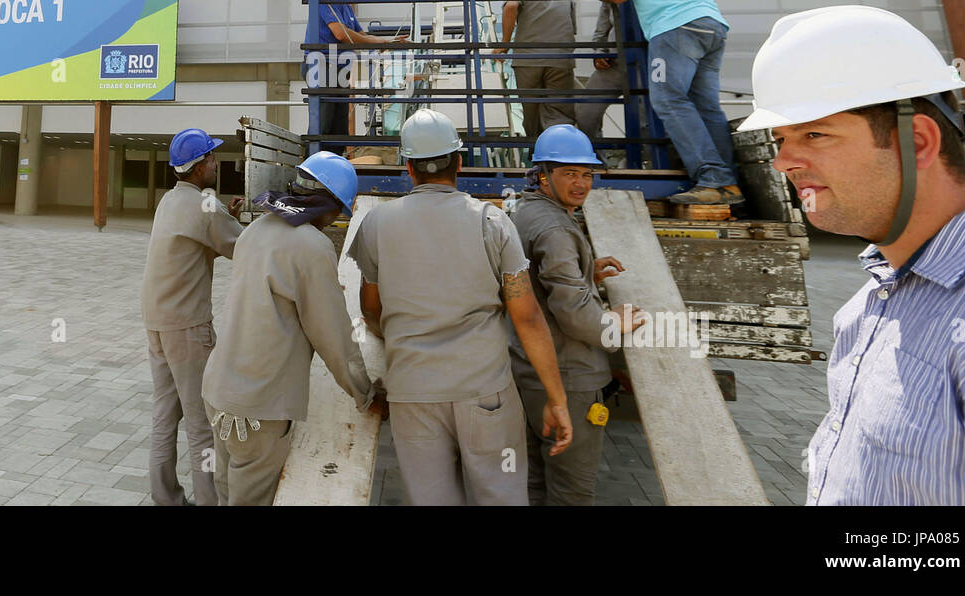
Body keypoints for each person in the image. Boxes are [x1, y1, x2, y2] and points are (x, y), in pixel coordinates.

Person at [738, 5, 965, 505]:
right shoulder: (869, 303)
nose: (782, 161)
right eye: (781, 139)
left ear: (917, 139)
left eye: (814, 133)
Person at [349, 108, 574, 506]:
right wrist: (557, 400)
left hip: (413, 395)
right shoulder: (491, 221)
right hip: (484, 394)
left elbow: (371, 311)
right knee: (502, 496)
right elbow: (528, 318)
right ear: (459, 161)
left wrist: (404, 334)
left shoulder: (377, 224)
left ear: (408, 168)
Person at [202, 151, 386, 505]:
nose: (335, 221)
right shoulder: (311, 245)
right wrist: (365, 394)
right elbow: (331, 334)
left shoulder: (255, 229)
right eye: (338, 213)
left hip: (218, 391)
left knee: (226, 492)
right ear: (329, 203)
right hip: (259, 407)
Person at [507, 124, 646, 505]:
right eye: (569, 173)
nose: (581, 183)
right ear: (541, 176)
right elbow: (573, 313)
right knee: (571, 492)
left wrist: (585, 271)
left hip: (526, 372)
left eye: (586, 174)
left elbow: (537, 282)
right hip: (568, 378)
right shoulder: (555, 227)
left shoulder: (525, 214)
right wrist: (613, 323)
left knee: (533, 485)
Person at [577, 0, 742, 205]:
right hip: (712, 27)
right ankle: (729, 185)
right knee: (707, 107)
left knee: (668, 101)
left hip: (675, 29)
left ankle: (712, 179)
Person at [141, 128, 244, 506]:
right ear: (201, 166)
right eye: (213, 158)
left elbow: (193, 248)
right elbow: (243, 247)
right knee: (203, 424)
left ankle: (165, 498)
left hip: (157, 321)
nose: (217, 164)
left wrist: (223, 217)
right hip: (187, 327)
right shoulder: (203, 206)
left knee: (165, 415)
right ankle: (209, 501)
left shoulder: (169, 201)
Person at [303, 0, 407, 144]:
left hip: (339, 68)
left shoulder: (346, 8)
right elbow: (341, 33)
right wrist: (379, 42)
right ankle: (311, 162)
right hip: (321, 65)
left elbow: (360, 35)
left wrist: (387, 41)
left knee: (339, 124)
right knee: (323, 121)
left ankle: (333, 161)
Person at [492, 0, 577, 138]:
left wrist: (504, 44)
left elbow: (511, 7)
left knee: (531, 111)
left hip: (528, 61)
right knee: (558, 112)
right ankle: (559, 154)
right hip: (560, 61)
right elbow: (571, 30)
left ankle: (536, 151)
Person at [574, 0, 629, 164]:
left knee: (645, 121)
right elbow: (600, 32)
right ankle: (596, 164)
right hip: (613, 65)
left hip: (645, 64)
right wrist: (599, 52)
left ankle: (648, 165)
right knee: (585, 114)